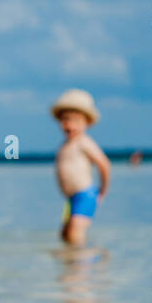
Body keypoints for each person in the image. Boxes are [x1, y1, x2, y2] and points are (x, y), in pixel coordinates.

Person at [51, 89, 111, 247]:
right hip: (70, 199)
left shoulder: (84, 142)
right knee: (64, 235)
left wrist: (103, 191)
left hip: (86, 195)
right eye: (65, 120)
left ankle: (83, 265)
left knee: (75, 233)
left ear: (87, 122)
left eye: (76, 121)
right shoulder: (64, 145)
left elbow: (104, 164)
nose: (70, 125)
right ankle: (71, 263)